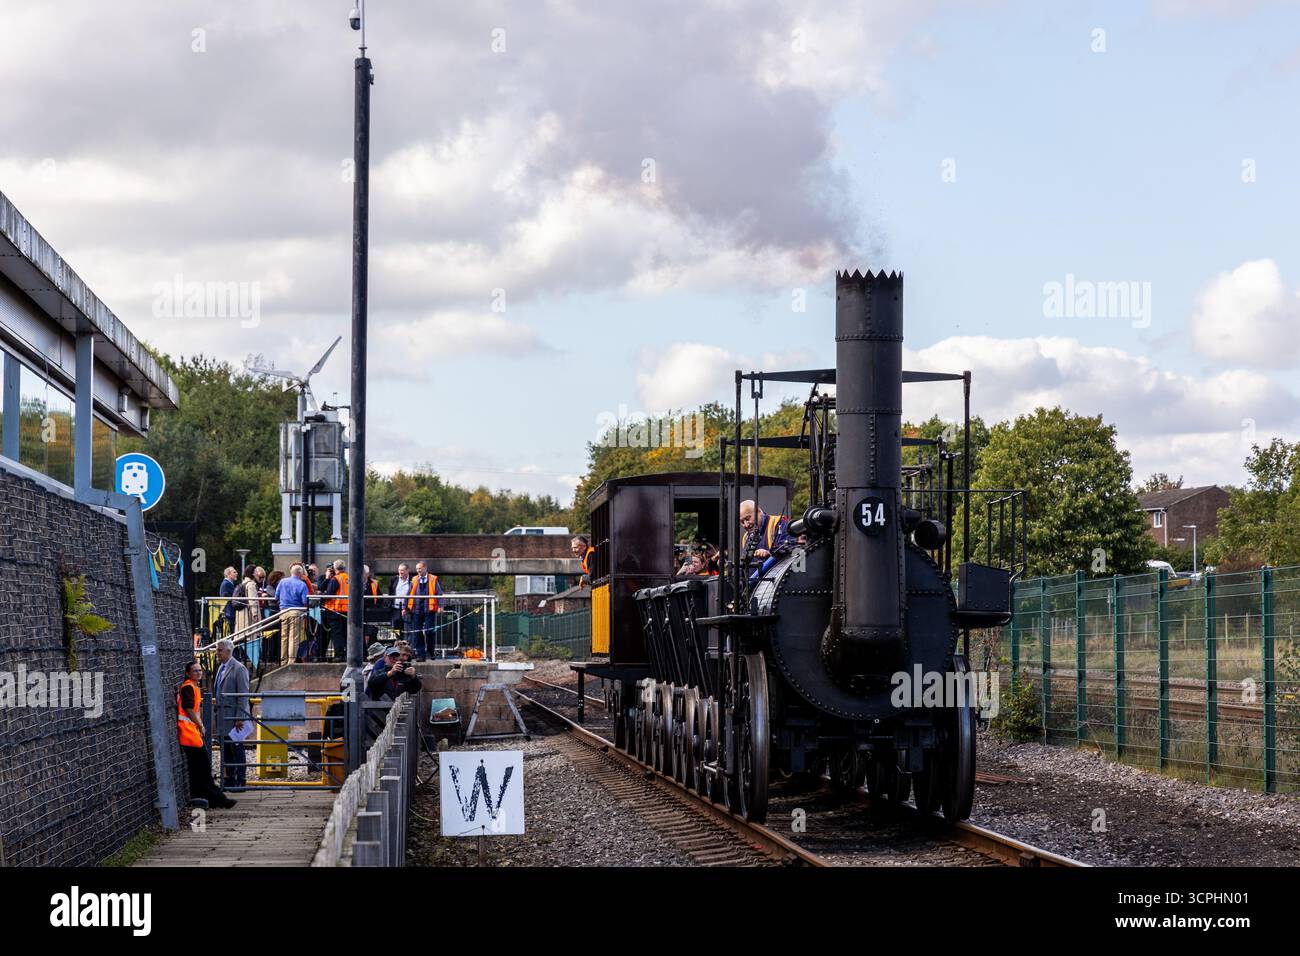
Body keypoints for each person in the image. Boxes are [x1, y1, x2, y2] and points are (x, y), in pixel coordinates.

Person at [177, 660, 236, 809]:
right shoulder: (189, 688)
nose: (198, 673)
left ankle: (201, 797)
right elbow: (189, 709)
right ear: (188, 673)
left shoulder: (193, 688)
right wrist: (200, 724)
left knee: (198, 769)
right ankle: (217, 799)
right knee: (203, 768)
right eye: (195, 671)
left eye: (200, 671)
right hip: (189, 734)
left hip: (191, 734)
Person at [214, 638, 251, 790]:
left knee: (236, 747)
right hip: (223, 714)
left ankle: (240, 779)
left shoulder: (239, 668)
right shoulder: (221, 667)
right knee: (226, 748)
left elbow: (243, 694)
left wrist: (240, 717)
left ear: (229, 651)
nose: (217, 653)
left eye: (219, 650)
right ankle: (230, 778)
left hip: (233, 715)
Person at [739, 500, 795, 573]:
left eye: (747, 519)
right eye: (742, 522)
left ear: (758, 511)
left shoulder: (779, 523)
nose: (746, 525)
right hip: (754, 583)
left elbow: (789, 548)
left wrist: (769, 554)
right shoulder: (746, 537)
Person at [406, 562, 442, 661]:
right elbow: (408, 594)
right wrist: (406, 608)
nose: (418, 570)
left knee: (429, 631)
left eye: (420, 568)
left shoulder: (433, 579)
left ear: (425, 568)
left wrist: (441, 606)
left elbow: (439, 594)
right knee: (417, 633)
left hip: (429, 609)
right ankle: (421, 654)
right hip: (416, 610)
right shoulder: (414, 580)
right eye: (417, 569)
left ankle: (431, 651)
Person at [276, 564, 310, 664]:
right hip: (296, 611)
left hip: (283, 612)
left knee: (284, 637)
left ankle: (283, 661)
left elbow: (276, 596)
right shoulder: (302, 584)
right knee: (294, 638)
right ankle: (291, 661)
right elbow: (305, 600)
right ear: (300, 573)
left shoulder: (282, 582)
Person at [322, 559, 349, 661]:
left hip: (336, 610)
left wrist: (321, 595)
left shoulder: (336, 579)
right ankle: (347, 654)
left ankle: (339, 655)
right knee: (346, 634)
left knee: (337, 634)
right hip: (347, 609)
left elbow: (329, 595)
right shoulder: (348, 577)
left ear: (334, 568)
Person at [233, 567, 260, 637]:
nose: (257, 574)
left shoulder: (244, 583)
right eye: (256, 572)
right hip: (248, 614)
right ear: (252, 573)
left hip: (242, 613)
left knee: (242, 635)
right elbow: (252, 600)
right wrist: (255, 614)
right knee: (251, 635)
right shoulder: (251, 584)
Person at [388, 562, 412, 637]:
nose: (400, 572)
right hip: (395, 608)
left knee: (407, 629)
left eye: (402, 570)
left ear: (407, 570)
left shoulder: (413, 580)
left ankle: (407, 646)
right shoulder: (394, 579)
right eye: (399, 570)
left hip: (408, 609)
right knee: (396, 629)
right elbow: (390, 591)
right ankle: (398, 644)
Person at [217, 566, 238, 637]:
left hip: (230, 613)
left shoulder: (228, 583)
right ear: (228, 574)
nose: (237, 573)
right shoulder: (226, 584)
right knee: (233, 634)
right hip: (230, 613)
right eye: (234, 572)